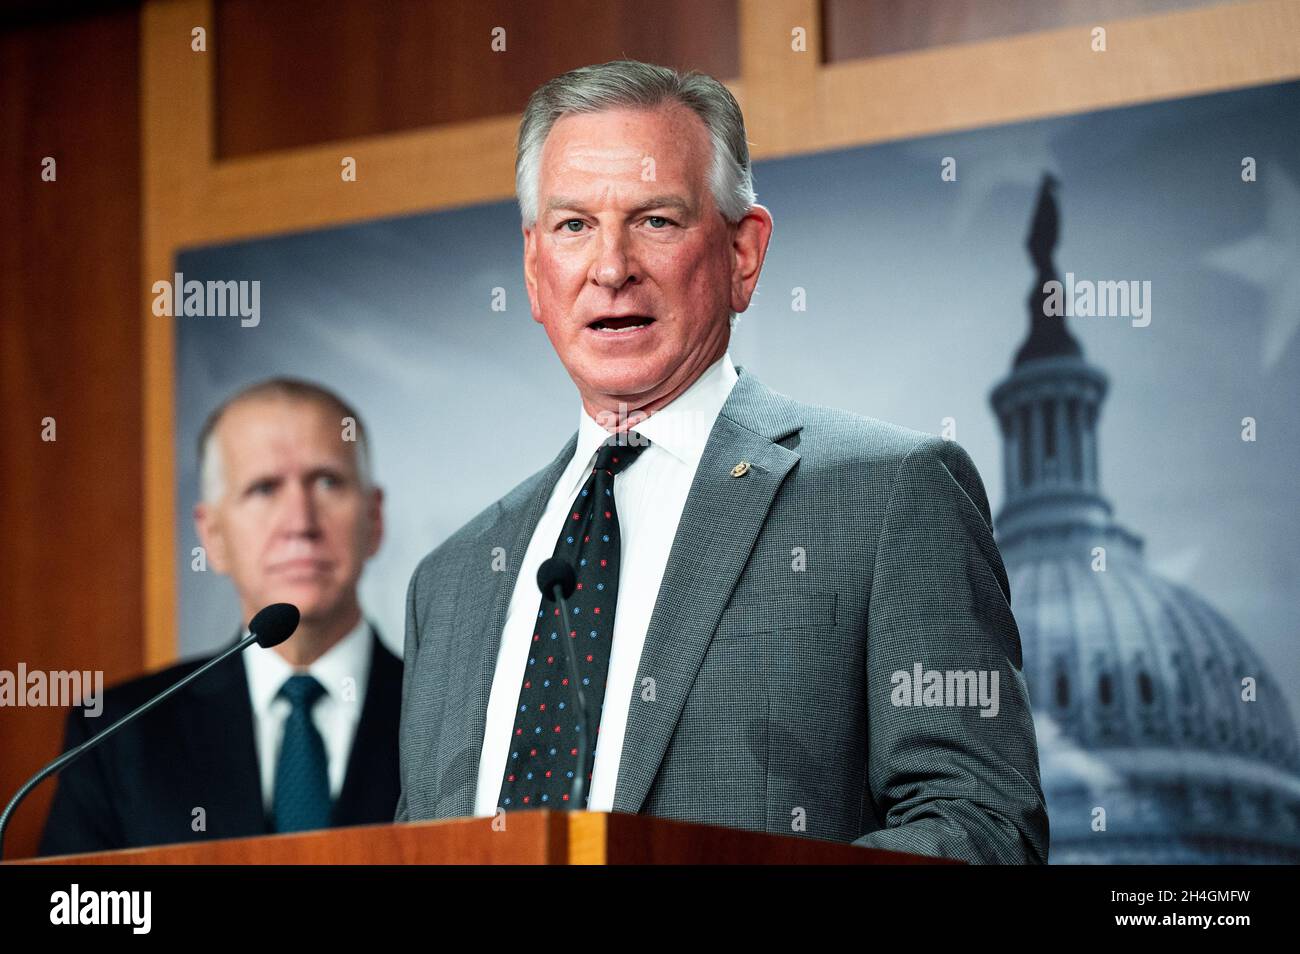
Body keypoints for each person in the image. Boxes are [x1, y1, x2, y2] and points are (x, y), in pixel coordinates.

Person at [395, 60, 1048, 864]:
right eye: (573, 226)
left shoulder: (889, 498)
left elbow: (984, 829)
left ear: (743, 253)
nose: (610, 267)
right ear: (534, 270)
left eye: (656, 221)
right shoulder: (452, 582)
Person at [40, 378, 400, 855]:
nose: (300, 522)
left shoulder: (459, 718)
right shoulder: (116, 736)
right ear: (213, 536)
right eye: (264, 488)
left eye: (328, 481)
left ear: (373, 519)